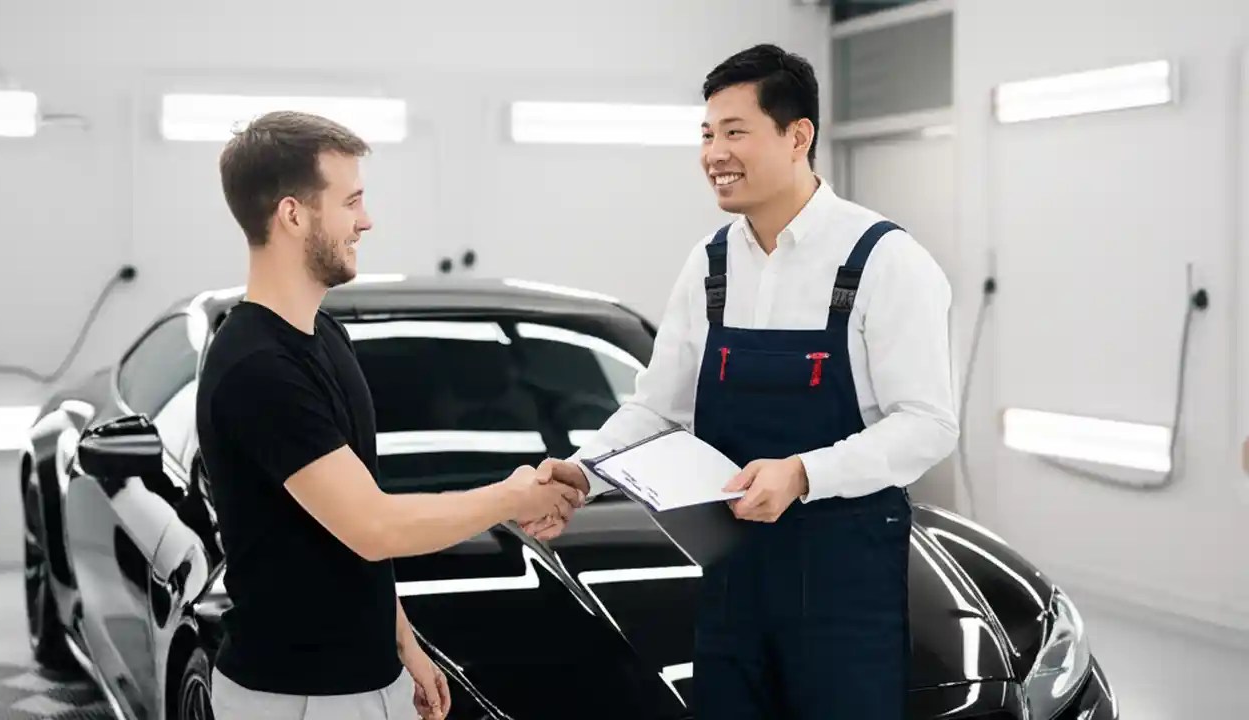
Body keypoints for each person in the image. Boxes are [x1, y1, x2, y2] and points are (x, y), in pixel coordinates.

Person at [525, 44, 959, 718]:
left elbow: (927, 423)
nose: (714, 153)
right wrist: (582, 473)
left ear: (797, 137)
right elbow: (658, 409)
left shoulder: (884, 262)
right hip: (732, 581)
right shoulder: (711, 264)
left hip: (844, 591)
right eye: (706, 134)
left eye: (734, 132)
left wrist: (804, 474)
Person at [196, 110, 583, 720]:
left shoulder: (325, 337)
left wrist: (403, 643)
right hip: (295, 698)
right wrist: (512, 496)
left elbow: (353, 536)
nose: (367, 220)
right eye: (351, 201)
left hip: (367, 680)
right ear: (293, 215)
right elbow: (373, 525)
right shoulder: (256, 369)